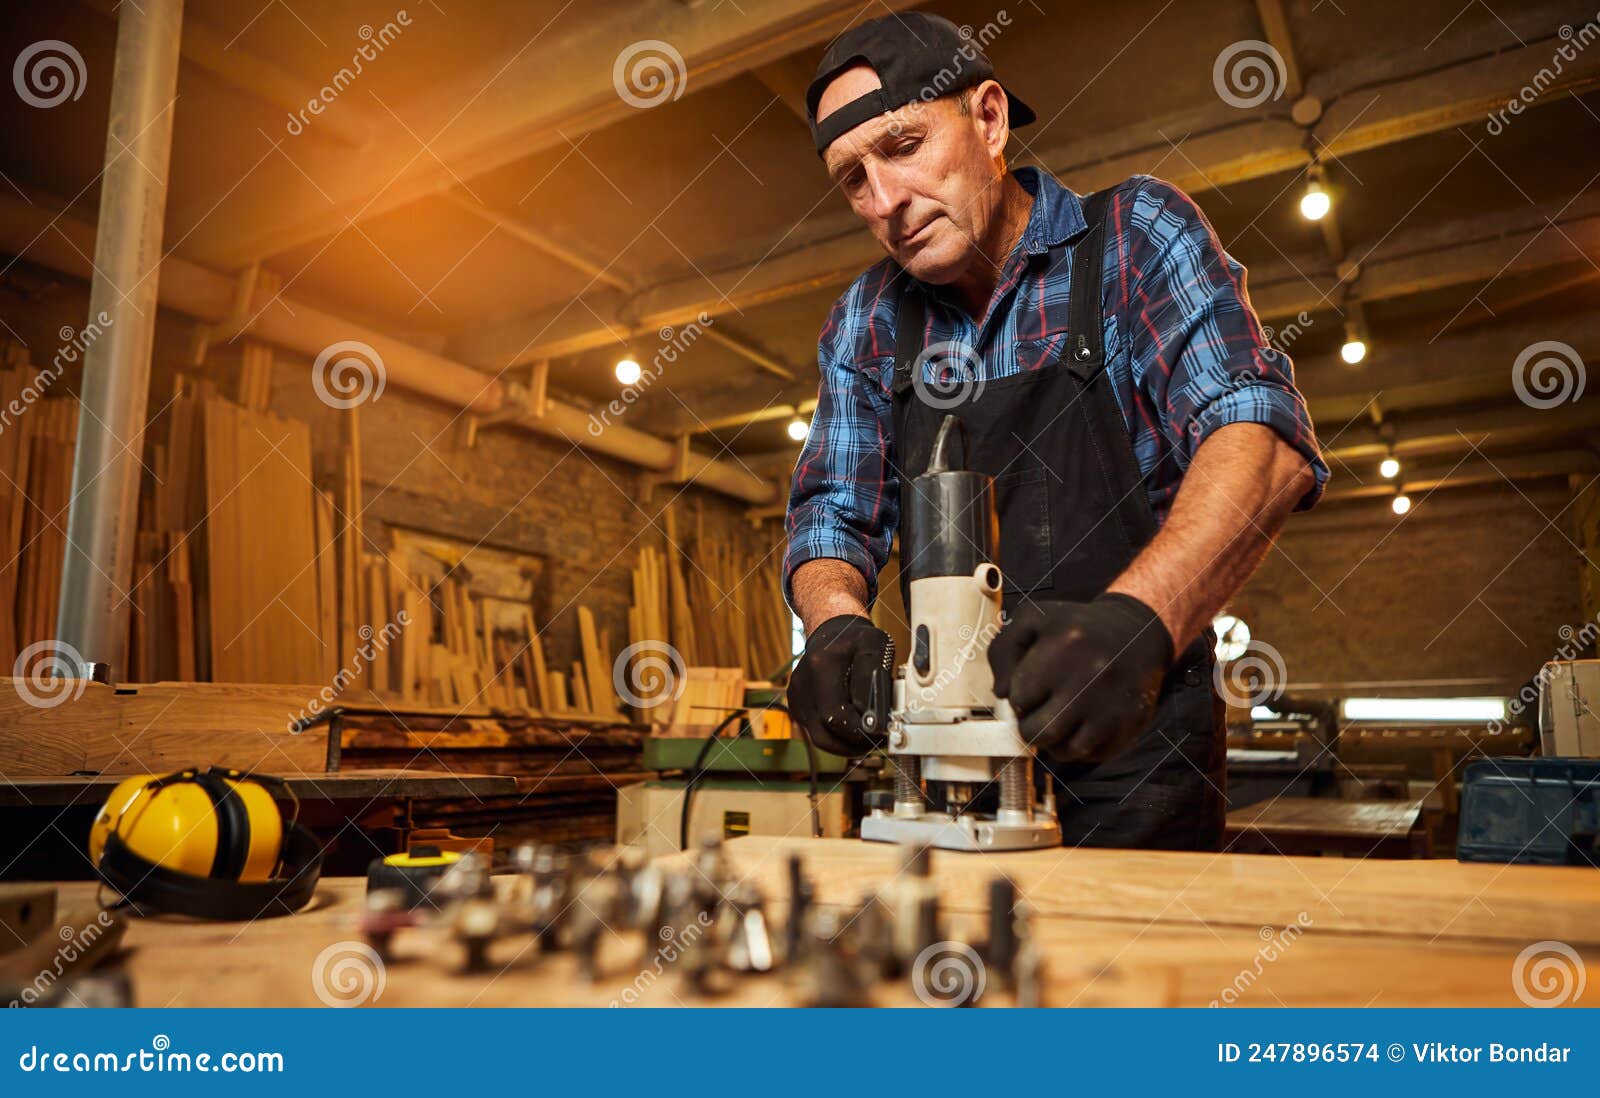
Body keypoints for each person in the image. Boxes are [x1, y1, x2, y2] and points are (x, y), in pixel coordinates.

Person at [782, 11, 1327, 851]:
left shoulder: (1135, 237)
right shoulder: (867, 319)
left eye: (903, 146)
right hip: (949, 763)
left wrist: (1138, 624)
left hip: (1137, 746)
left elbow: (1259, 436)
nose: (885, 202)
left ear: (989, 119)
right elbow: (830, 516)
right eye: (854, 179)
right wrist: (833, 622)